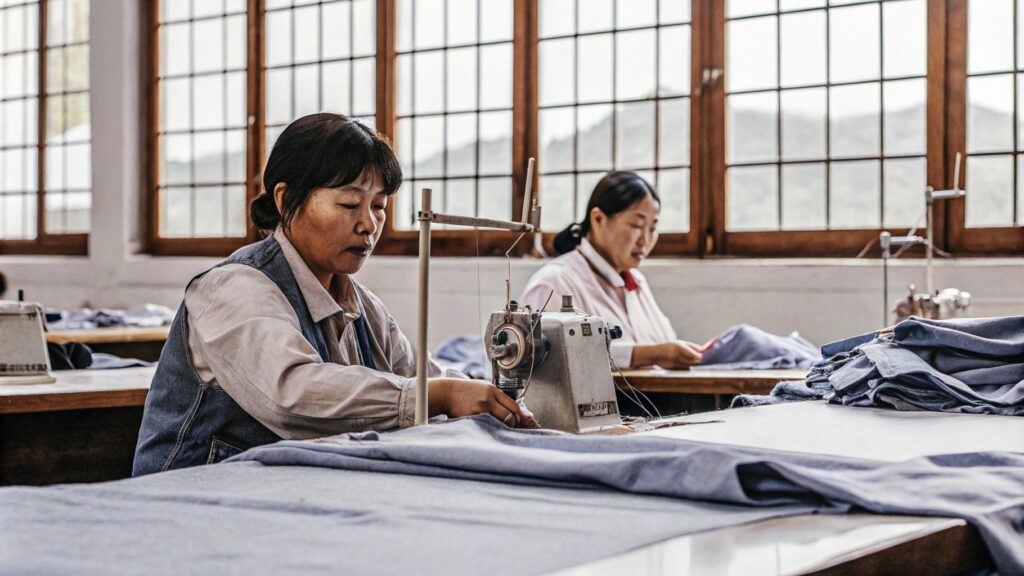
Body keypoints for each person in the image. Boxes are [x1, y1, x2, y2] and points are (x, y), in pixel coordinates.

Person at [134, 113, 534, 476]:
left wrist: (490, 399)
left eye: (379, 206)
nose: (369, 225)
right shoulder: (233, 288)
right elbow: (291, 394)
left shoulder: (363, 308)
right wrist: (440, 396)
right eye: (348, 204)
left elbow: (420, 375)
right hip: (191, 499)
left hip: (279, 497)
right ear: (286, 199)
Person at [520, 171, 703, 370]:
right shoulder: (554, 283)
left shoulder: (636, 282)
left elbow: (666, 347)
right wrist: (648, 355)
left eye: (652, 228)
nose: (645, 240)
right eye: (636, 225)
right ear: (598, 219)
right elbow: (547, 362)